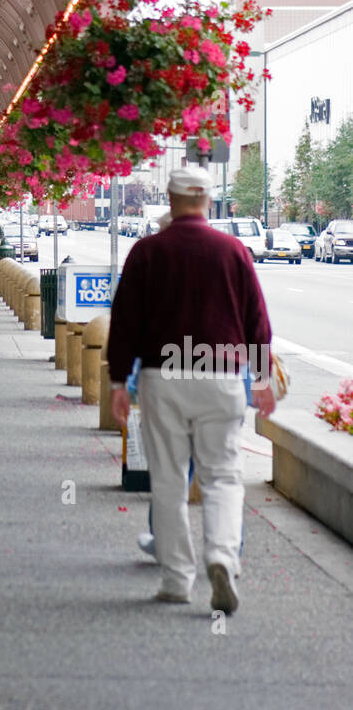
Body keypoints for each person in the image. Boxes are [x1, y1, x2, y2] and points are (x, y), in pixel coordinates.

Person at [108, 166, 274, 615]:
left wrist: (120, 382)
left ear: (171, 198)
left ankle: (177, 580)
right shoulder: (234, 250)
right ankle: (221, 556)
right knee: (222, 476)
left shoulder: (146, 252)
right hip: (222, 378)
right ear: (207, 200)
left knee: (167, 481)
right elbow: (257, 323)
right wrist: (261, 380)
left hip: (165, 377)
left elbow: (124, 323)